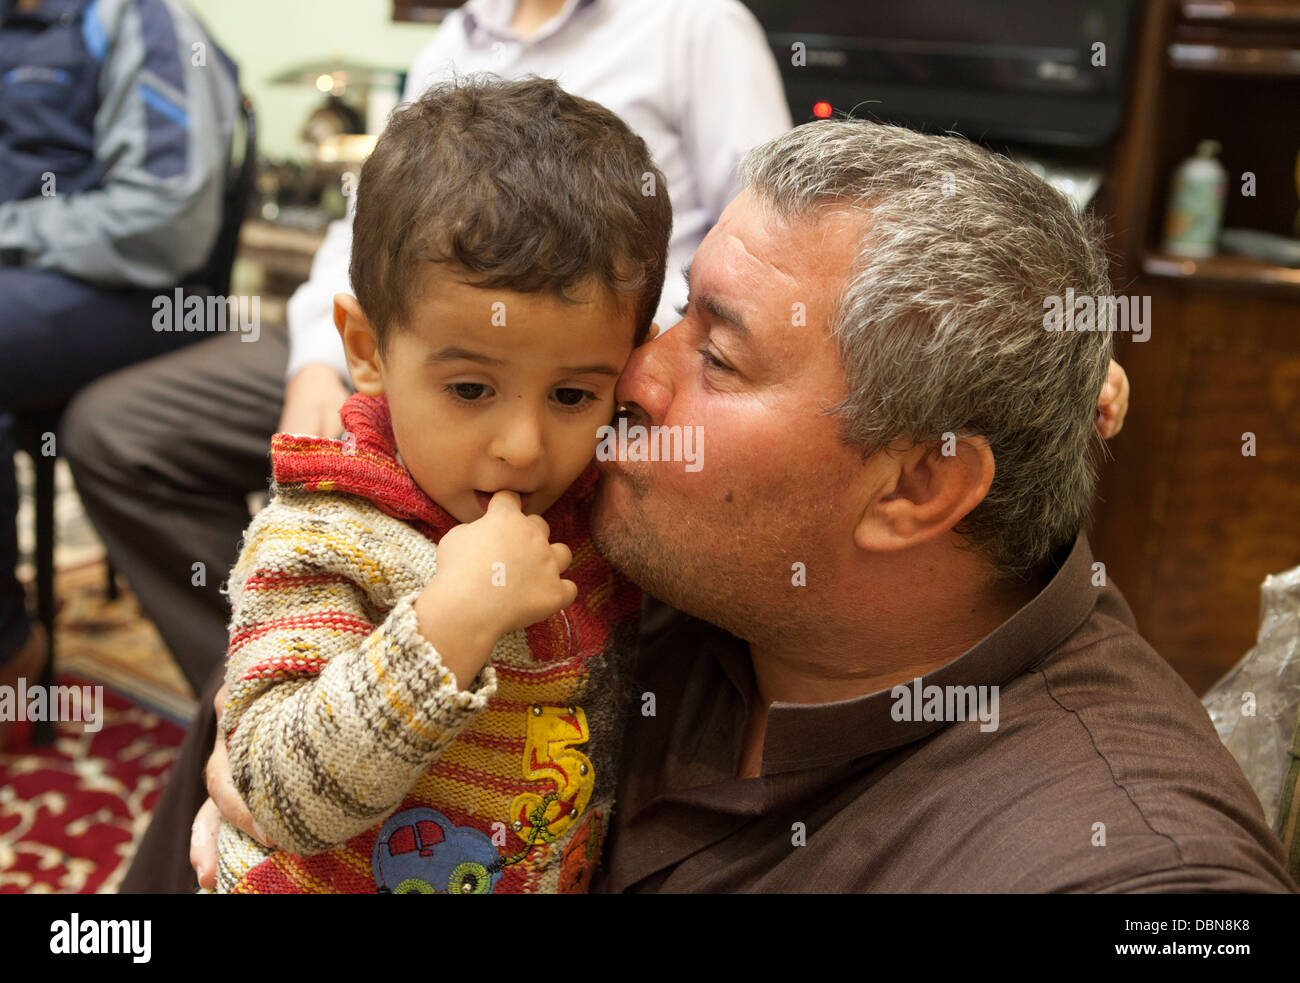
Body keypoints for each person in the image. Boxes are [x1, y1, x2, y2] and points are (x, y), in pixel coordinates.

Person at [195, 119, 1290, 893]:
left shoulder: (1096, 852)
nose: (630, 376)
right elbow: (268, 759)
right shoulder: (648, 542)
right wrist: (266, 784)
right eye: (671, 312)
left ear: (915, 486)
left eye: (714, 353)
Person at [61, 0, 792, 700]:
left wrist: (621, 346)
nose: (520, 451)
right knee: (119, 432)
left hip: (602, 346)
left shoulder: (697, 25)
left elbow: (763, 255)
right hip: (423, 329)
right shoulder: (453, 38)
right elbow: (365, 224)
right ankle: (270, 684)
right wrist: (316, 360)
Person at [214, 76, 667, 894]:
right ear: (368, 348)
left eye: (573, 395)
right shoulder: (324, 534)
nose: (524, 448)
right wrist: (450, 622)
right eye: (470, 389)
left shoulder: (610, 509)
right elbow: (276, 795)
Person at [0, 0, 238, 748]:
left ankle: (9, 652)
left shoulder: (141, 21)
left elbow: (167, 217)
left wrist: (11, 231)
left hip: (141, 293)